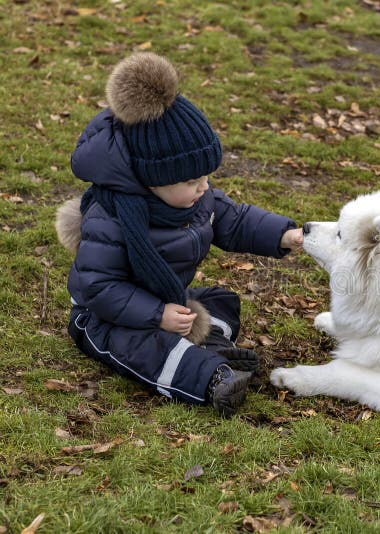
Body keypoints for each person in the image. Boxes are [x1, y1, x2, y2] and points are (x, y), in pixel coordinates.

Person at [55, 52, 304, 416]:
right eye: (191, 180)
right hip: (103, 317)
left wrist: (283, 234)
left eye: (205, 177)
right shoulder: (111, 218)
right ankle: (213, 377)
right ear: (151, 179)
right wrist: (157, 314)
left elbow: (234, 220)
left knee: (221, 301)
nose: (204, 187)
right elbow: (98, 288)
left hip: (163, 301)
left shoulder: (194, 199)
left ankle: (208, 344)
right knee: (142, 345)